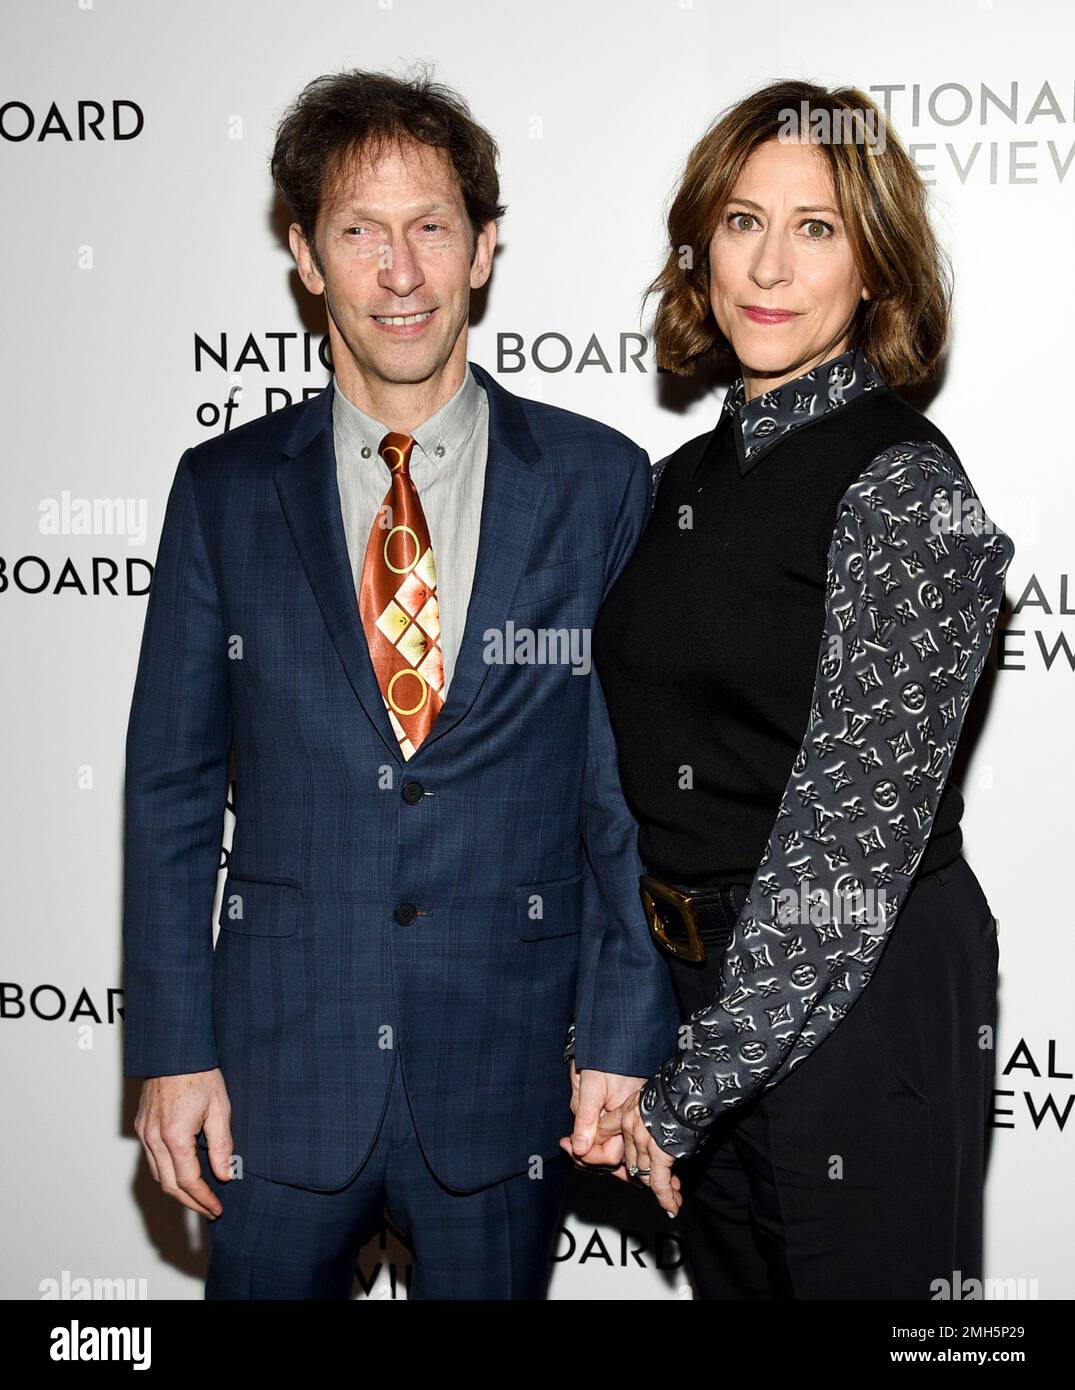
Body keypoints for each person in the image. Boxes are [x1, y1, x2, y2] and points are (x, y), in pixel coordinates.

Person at [122, 67, 678, 1301]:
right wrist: (169, 1051)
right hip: (272, 1075)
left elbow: (622, 795)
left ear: (483, 248)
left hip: (507, 1065)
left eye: (431, 227)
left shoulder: (595, 485)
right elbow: (168, 792)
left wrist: (627, 1034)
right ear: (305, 255)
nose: (401, 271)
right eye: (359, 231)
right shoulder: (220, 494)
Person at [584, 79, 1015, 1298]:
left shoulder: (904, 489)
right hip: (695, 1002)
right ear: (698, 246)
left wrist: (684, 1094)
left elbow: (846, 848)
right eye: (739, 220)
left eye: (816, 227)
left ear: (874, 265)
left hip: (859, 1001)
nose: (769, 263)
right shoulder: (668, 483)